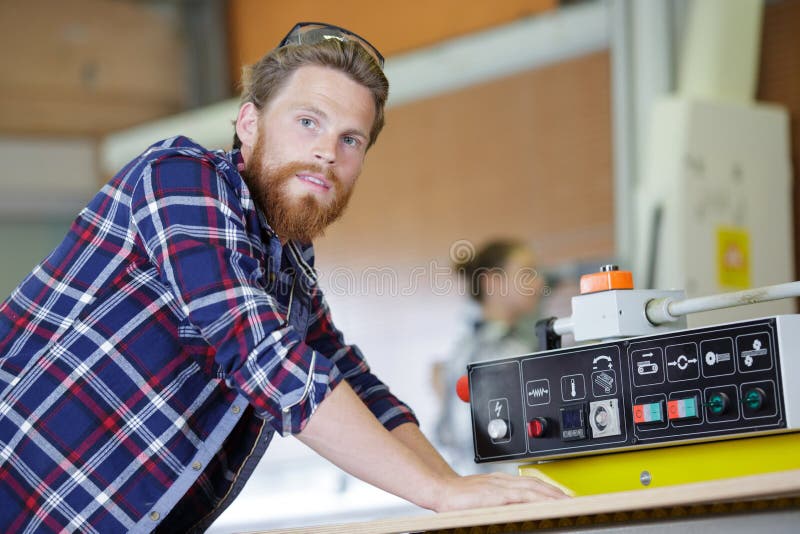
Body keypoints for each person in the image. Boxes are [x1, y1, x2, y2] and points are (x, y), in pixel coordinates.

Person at [0, 22, 566, 533]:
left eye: (352, 139)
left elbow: (355, 384)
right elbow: (261, 354)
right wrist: (440, 493)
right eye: (307, 122)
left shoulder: (288, 268)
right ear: (248, 122)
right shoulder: (177, 180)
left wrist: (459, 489)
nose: (327, 153)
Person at [433, 239, 544, 473]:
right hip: (505, 490)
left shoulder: (471, 347)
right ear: (493, 282)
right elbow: (467, 437)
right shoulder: (491, 352)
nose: (538, 282)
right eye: (527, 273)